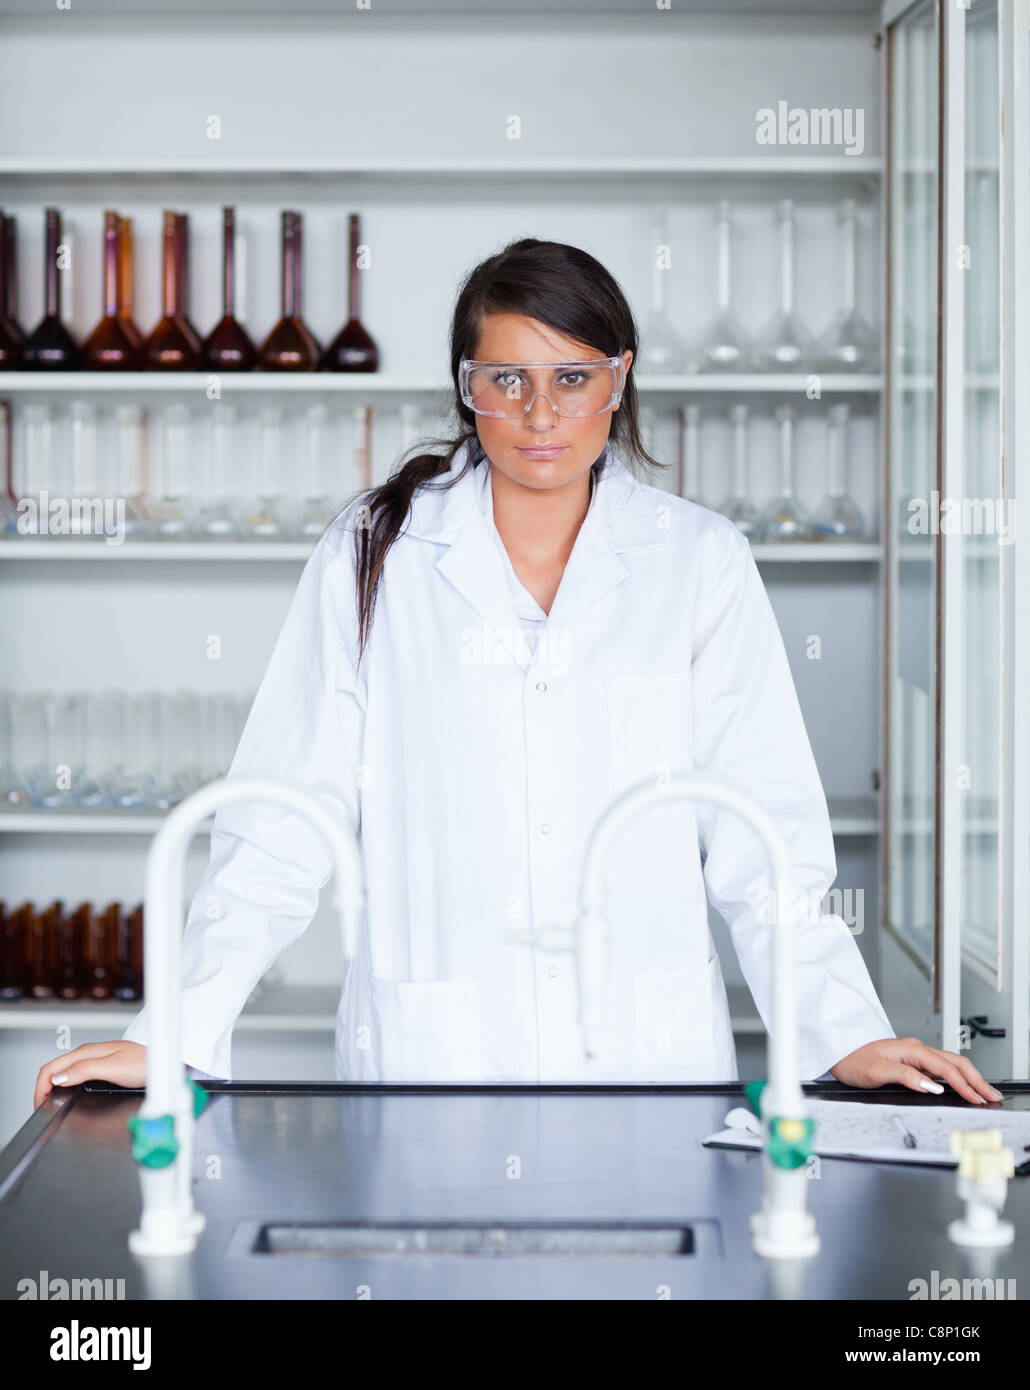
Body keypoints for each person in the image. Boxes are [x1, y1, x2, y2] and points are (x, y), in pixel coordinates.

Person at [34, 238, 1000, 1107]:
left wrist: (845, 1030)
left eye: (573, 377)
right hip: (431, 1058)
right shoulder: (375, 552)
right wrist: (173, 1034)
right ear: (467, 387)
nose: (541, 414)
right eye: (507, 378)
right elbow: (280, 819)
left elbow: (764, 828)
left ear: (619, 378)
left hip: (642, 1061)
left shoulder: (697, 559)